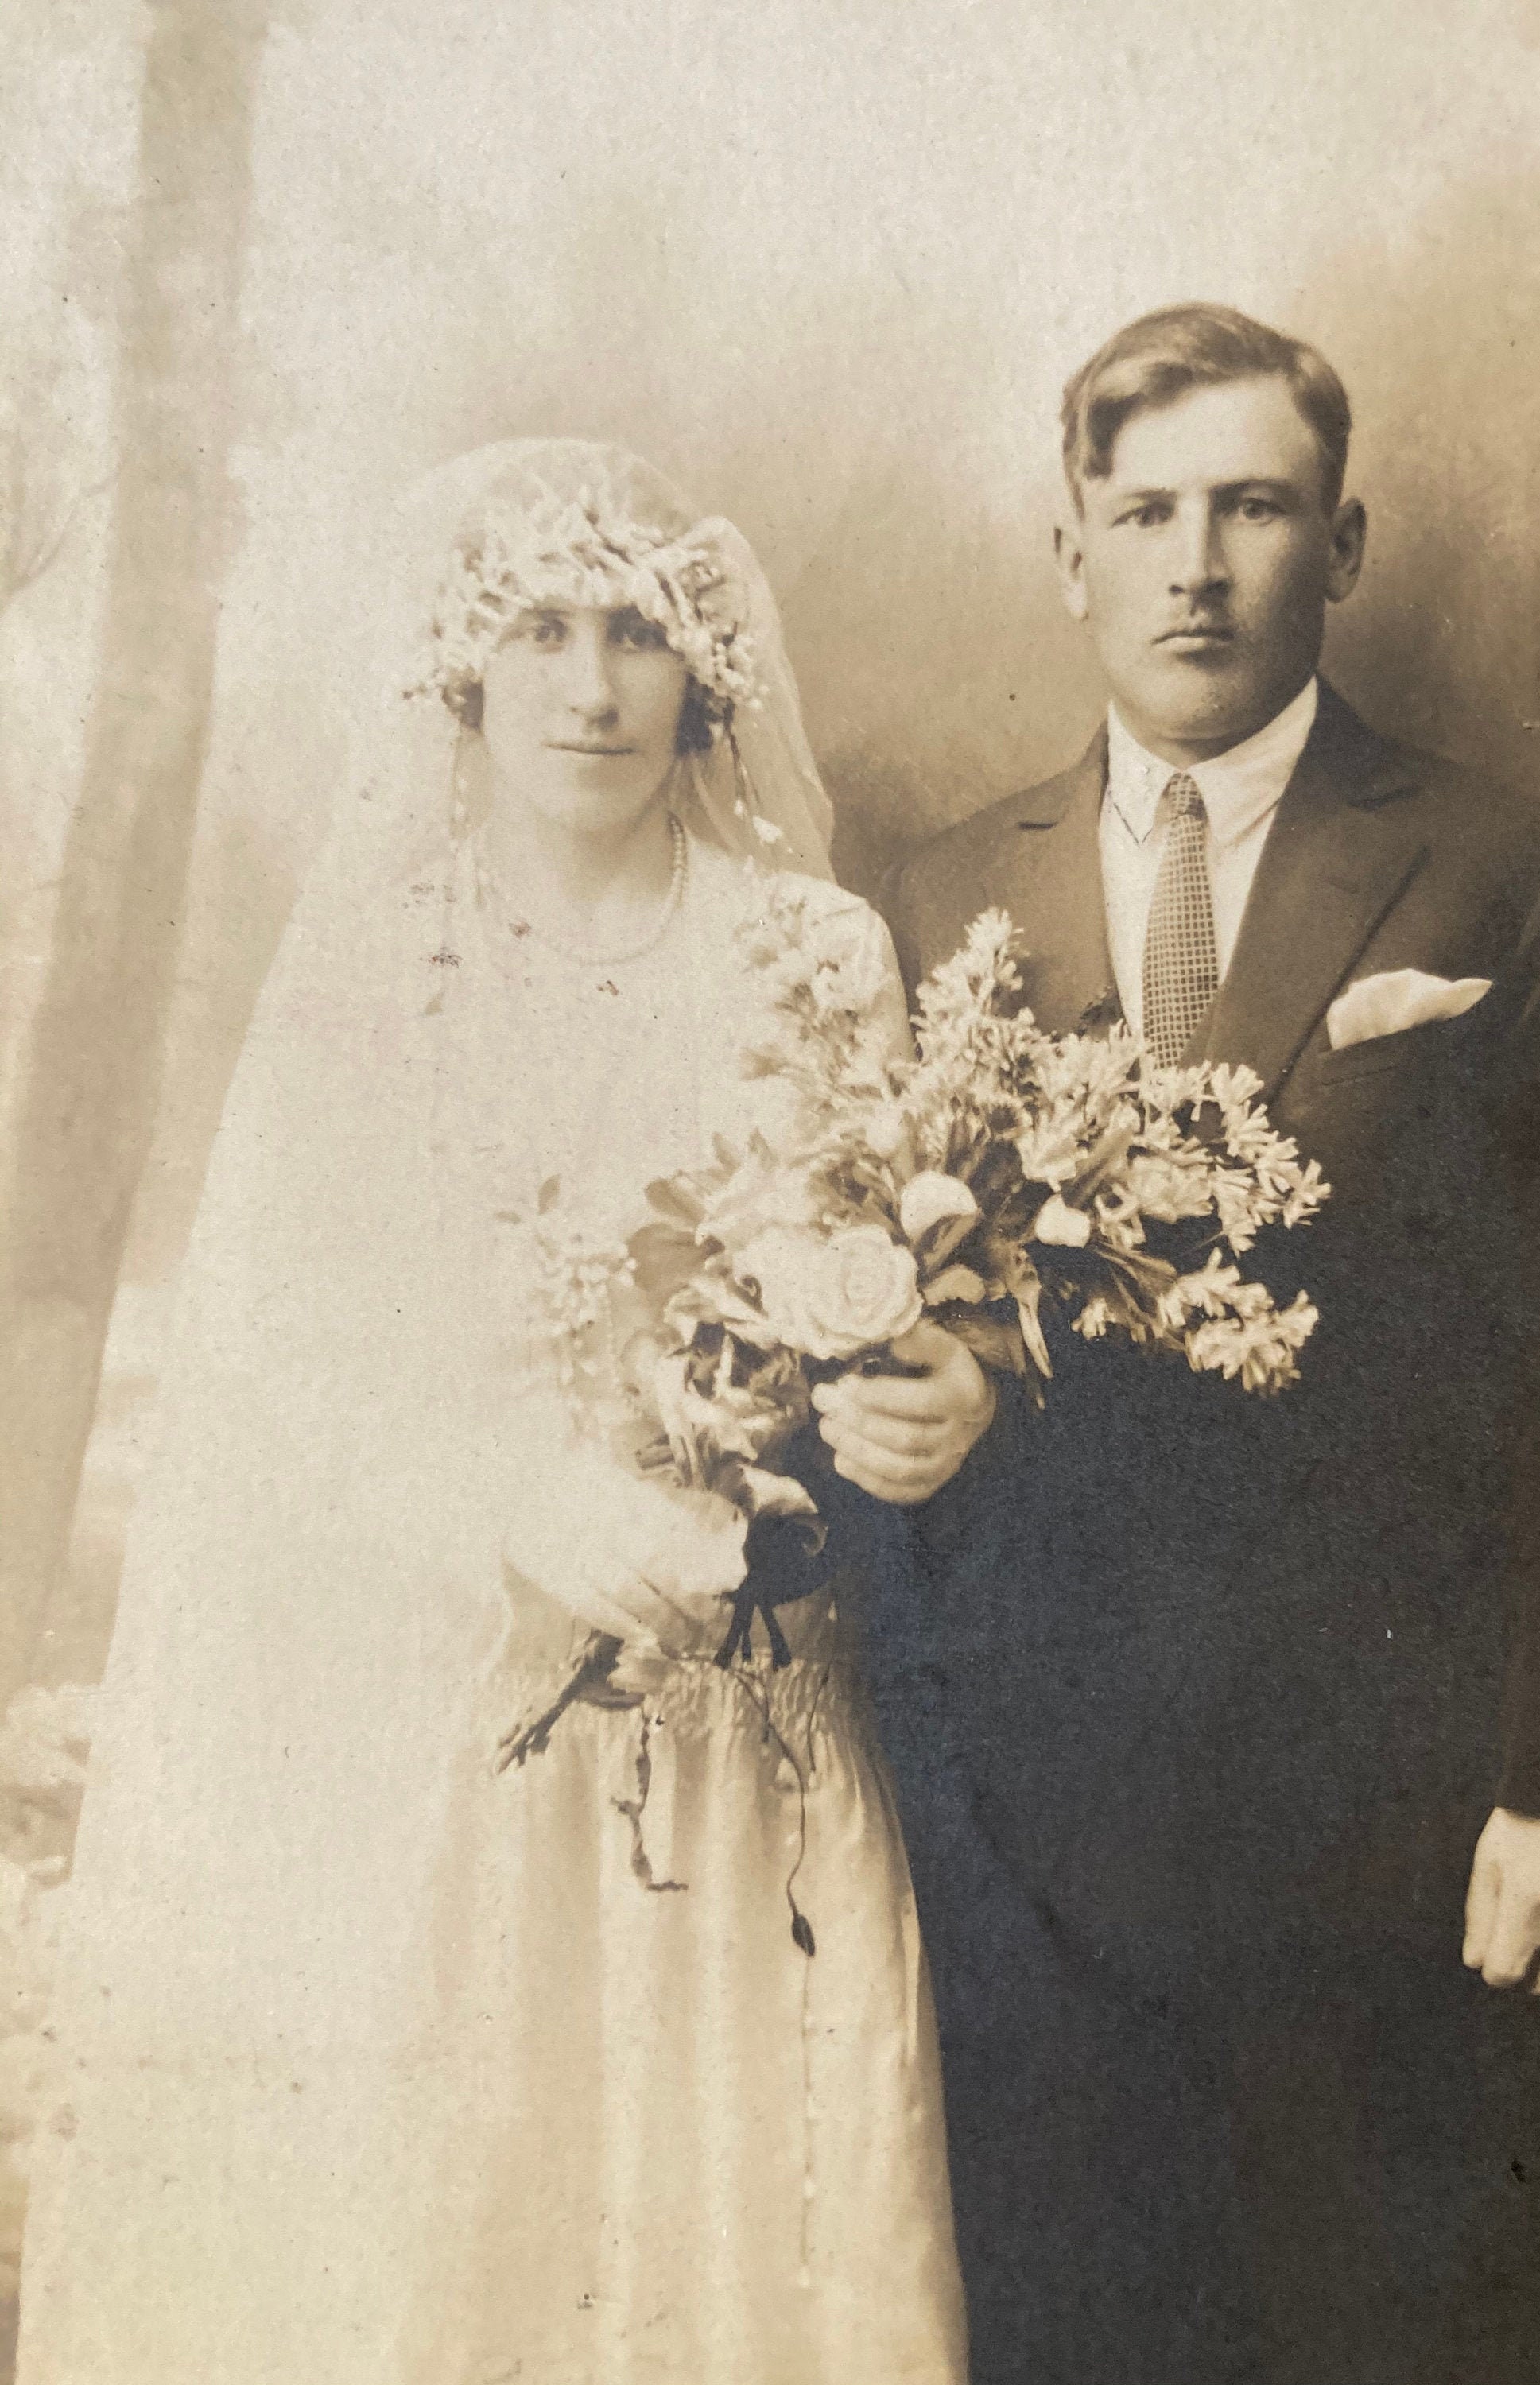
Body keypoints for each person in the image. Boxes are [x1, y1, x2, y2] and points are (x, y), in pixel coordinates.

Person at [817, 305, 1540, 2382]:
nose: (1195, 564)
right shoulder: (941, 895)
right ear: (1069, 557)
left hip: (1390, 1825)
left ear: (1348, 542)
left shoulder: (1514, 878)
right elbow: (886, 1304)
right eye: (1143, 512)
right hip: (1033, 1845)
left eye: (1253, 506)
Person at [17, 440, 967, 2385]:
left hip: (729, 1699)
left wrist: (790, 1451)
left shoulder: (813, 955)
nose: (592, 685)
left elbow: (876, 1293)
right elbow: (281, 1356)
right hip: (430, 1696)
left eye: (636, 631)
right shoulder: (380, 964)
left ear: (705, 667)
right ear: (466, 662)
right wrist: (518, 1502)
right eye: (542, 627)